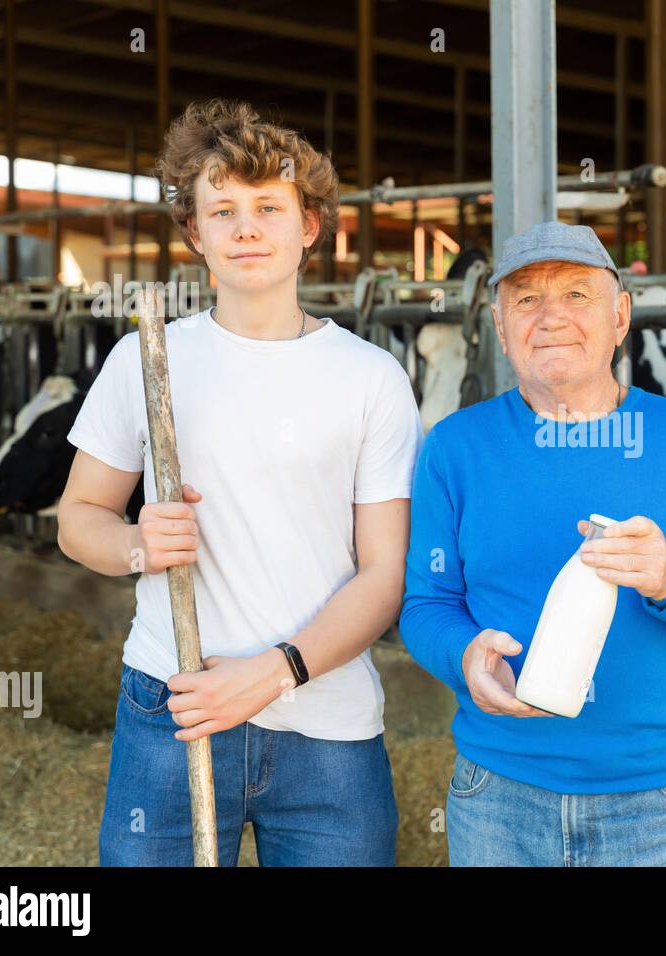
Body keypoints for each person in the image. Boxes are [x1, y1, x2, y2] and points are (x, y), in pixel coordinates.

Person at [57, 100, 422, 866]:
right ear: (195, 234)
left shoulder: (371, 378)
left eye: (268, 207)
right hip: (176, 704)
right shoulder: (147, 359)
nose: (246, 228)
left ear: (309, 226)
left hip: (329, 724)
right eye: (221, 210)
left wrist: (273, 672)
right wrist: (134, 543)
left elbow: (385, 575)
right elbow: (77, 519)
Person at [398, 220, 666, 866]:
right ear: (498, 322)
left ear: (620, 316)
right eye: (526, 299)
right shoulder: (454, 448)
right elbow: (426, 605)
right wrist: (463, 655)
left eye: (576, 295)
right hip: (500, 798)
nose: (550, 318)